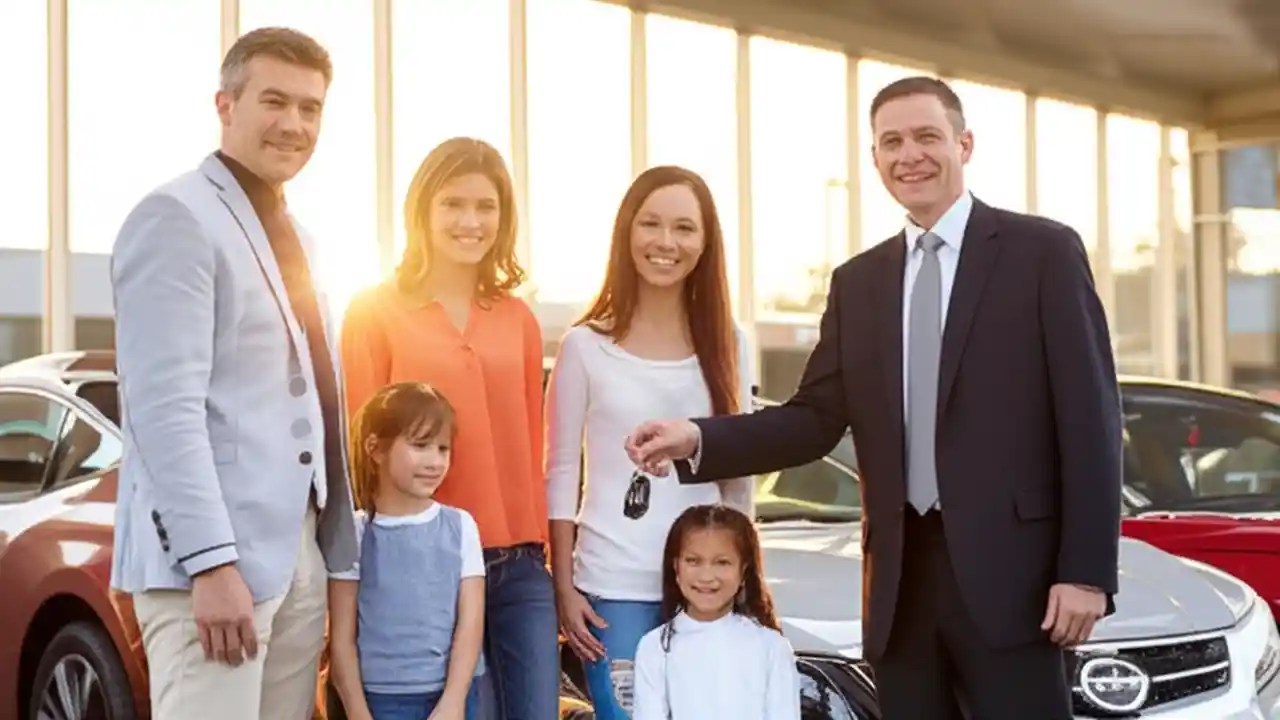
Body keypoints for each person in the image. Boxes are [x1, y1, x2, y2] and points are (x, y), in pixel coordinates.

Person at [626, 76, 1123, 719]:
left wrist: (1084, 572)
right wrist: (699, 438)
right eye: (891, 141)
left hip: (1015, 581)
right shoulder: (858, 282)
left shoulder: (1042, 253)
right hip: (899, 585)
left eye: (926, 136)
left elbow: (1091, 419)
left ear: (963, 144)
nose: (908, 154)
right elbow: (813, 419)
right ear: (875, 159)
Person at [109, 27, 359, 719]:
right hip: (214, 574)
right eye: (274, 101)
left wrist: (324, 558)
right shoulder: (177, 217)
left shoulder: (302, 237)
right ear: (226, 105)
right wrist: (211, 565)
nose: (294, 124)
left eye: (311, 108)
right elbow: (164, 411)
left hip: (294, 559)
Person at [340, 137, 556, 719]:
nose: (470, 221)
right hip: (418, 565)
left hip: (519, 565)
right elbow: (358, 450)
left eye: (486, 207)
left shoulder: (518, 318)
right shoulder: (373, 312)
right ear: (422, 212)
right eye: (453, 204)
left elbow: (535, 445)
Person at [545, 166, 754, 718]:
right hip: (612, 586)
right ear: (626, 233)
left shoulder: (730, 341)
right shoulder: (585, 345)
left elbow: (740, 471)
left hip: (706, 582)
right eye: (652, 224)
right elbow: (562, 470)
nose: (666, 242)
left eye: (685, 228)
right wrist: (564, 586)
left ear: (706, 242)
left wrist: (746, 581)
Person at [327, 382, 485, 720]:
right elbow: (341, 639)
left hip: (449, 700)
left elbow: (471, 623)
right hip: (377, 701)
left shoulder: (461, 526)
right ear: (376, 449)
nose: (434, 461)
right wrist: (357, 712)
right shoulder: (353, 533)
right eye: (420, 445)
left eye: (442, 448)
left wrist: (454, 702)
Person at [631, 504, 799, 719]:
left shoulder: (771, 646)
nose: (707, 576)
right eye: (693, 561)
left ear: (743, 569)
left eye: (722, 563)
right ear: (676, 566)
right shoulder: (654, 647)